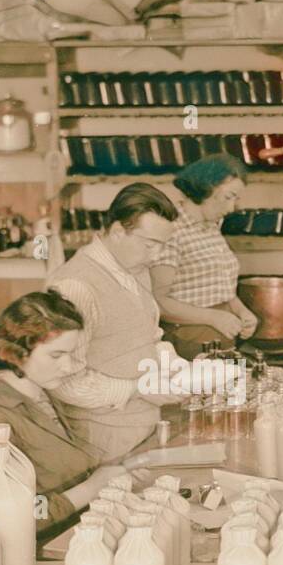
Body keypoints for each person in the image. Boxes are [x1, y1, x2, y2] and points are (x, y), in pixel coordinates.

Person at [0, 291, 129, 534]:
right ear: (16, 352)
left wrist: (112, 470)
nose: (68, 367)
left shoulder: (40, 391)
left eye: (70, 354)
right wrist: (92, 487)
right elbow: (9, 520)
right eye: (56, 355)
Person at [47, 182, 184, 461]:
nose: (156, 256)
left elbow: (149, 336)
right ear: (119, 231)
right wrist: (139, 388)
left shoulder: (135, 268)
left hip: (143, 425)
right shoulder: (75, 286)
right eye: (150, 245)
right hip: (100, 436)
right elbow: (62, 380)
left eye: (162, 246)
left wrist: (176, 367)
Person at [149, 154, 259, 359]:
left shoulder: (210, 225)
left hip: (218, 335)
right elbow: (158, 301)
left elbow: (218, 286)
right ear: (205, 189)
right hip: (188, 340)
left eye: (236, 199)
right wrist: (214, 317)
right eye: (229, 197)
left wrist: (242, 312)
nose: (232, 208)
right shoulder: (171, 230)